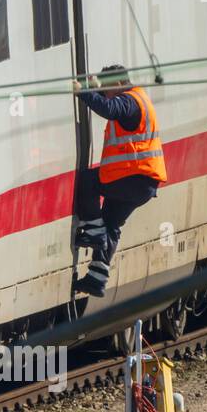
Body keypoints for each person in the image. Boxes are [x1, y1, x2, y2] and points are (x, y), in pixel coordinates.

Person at [70, 65, 167, 297]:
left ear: (120, 84)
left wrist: (81, 92)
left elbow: (110, 108)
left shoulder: (129, 102)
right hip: (142, 183)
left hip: (132, 178)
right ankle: (96, 279)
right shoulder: (138, 98)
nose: (106, 93)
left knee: (88, 181)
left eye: (107, 88)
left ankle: (94, 232)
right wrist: (95, 89)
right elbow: (108, 101)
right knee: (111, 223)